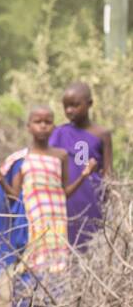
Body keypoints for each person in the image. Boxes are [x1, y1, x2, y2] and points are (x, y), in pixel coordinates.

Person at [0, 106, 96, 307]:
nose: (42, 126)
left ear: (53, 125)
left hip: (56, 226)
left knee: (55, 271)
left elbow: (64, 192)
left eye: (47, 122)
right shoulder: (22, 159)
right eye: (37, 121)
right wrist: (1, 180)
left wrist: (83, 175)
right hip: (31, 227)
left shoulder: (61, 156)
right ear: (29, 126)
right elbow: (14, 196)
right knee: (29, 271)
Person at [49, 81, 112, 249]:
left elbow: (108, 171)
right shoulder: (59, 132)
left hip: (92, 196)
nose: (70, 110)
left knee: (91, 240)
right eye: (66, 106)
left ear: (89, 104)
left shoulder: (102, 134)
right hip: (67, 196)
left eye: (75, 105)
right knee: (66, 241)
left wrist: (109, 198)